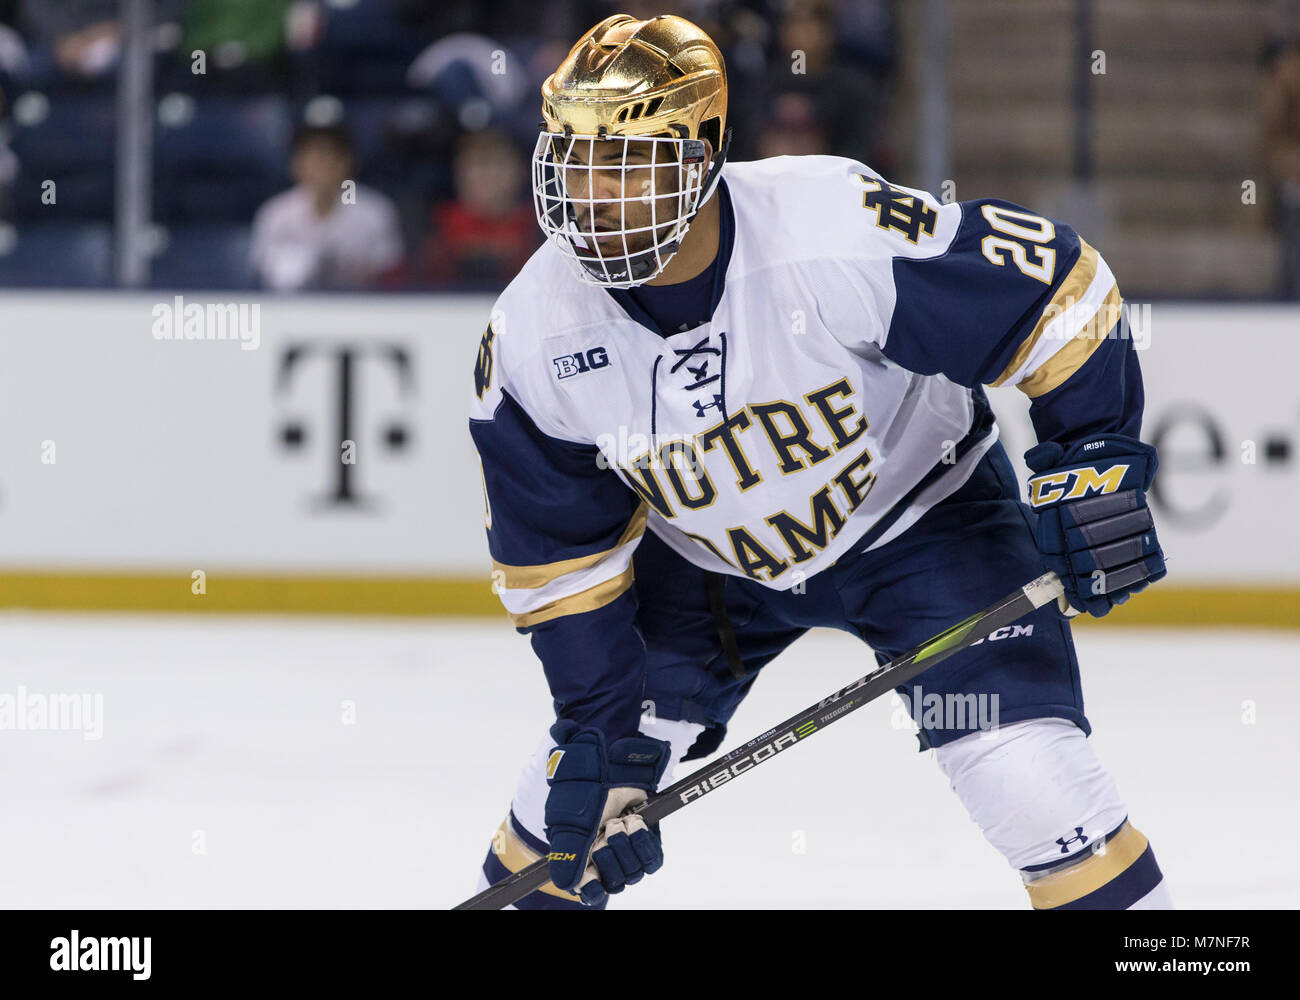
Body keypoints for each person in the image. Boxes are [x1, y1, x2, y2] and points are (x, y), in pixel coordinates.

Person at [468, 14, 1170, 910]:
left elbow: (1057, 294)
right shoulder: (533, 340)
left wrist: (1092, 456)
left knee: (1036, 790)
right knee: (552, 839)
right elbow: (561, 569)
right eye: (574, 159)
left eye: (628, 161)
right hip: (705, 572)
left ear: (705, 152)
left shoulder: (829, 228)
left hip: (928, 524)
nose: (594, 193)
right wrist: (596, 732)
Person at [250, 122, 403, 292]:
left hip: (361, 307)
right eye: (311, 155)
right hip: (293, 308)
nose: (321, 165)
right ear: (296, 164)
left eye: (328, 156)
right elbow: (262, 271)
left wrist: (367, 273)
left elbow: (391, 271)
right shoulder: (276, 213)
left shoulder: (374, 211)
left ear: (347, 162)